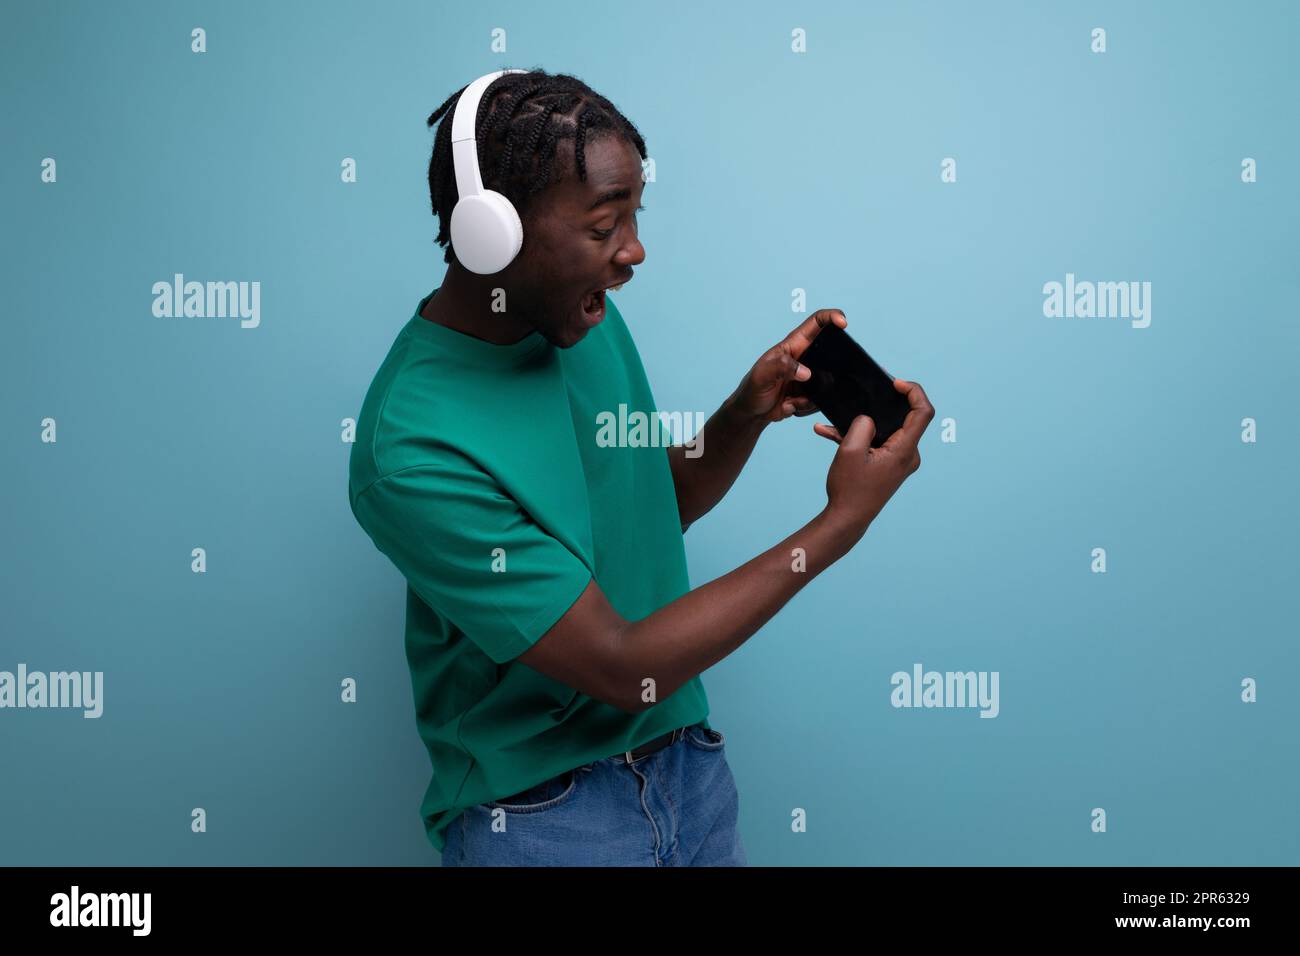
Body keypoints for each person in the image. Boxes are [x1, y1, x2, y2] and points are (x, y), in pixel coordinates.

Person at [347, 68, 933, 867]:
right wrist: (840, 525)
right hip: (546, 825)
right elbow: (620, 665)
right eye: (602, 226)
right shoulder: (410, 448)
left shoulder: (578, 318)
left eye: (634, 214)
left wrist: (744, 414)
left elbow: (652, 507)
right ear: (493, 233)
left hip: (688, 770)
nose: (633, 251)